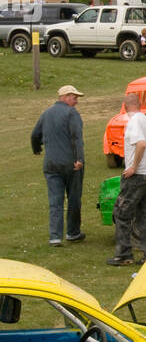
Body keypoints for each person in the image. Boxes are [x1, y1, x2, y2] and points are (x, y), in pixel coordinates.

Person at [107, 92, 146, 266]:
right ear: (140, 105)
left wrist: (133, 167)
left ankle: (124, 255)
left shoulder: (134, 121)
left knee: (122, 213)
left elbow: (141, 144)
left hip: (138, 174)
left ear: (125, 106)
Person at [31, 85, 85, 246]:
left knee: (55, 201)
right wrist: (79, 159)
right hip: (70, 164)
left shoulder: (46, 113)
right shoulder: (71, 113)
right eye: (74, 98)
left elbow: (35, 134)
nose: (76, 102)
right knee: (74, 198)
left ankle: (55, 236)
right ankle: (72, 232)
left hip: (51, 164)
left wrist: (37, 149)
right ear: (65, 97)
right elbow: (76, 137)